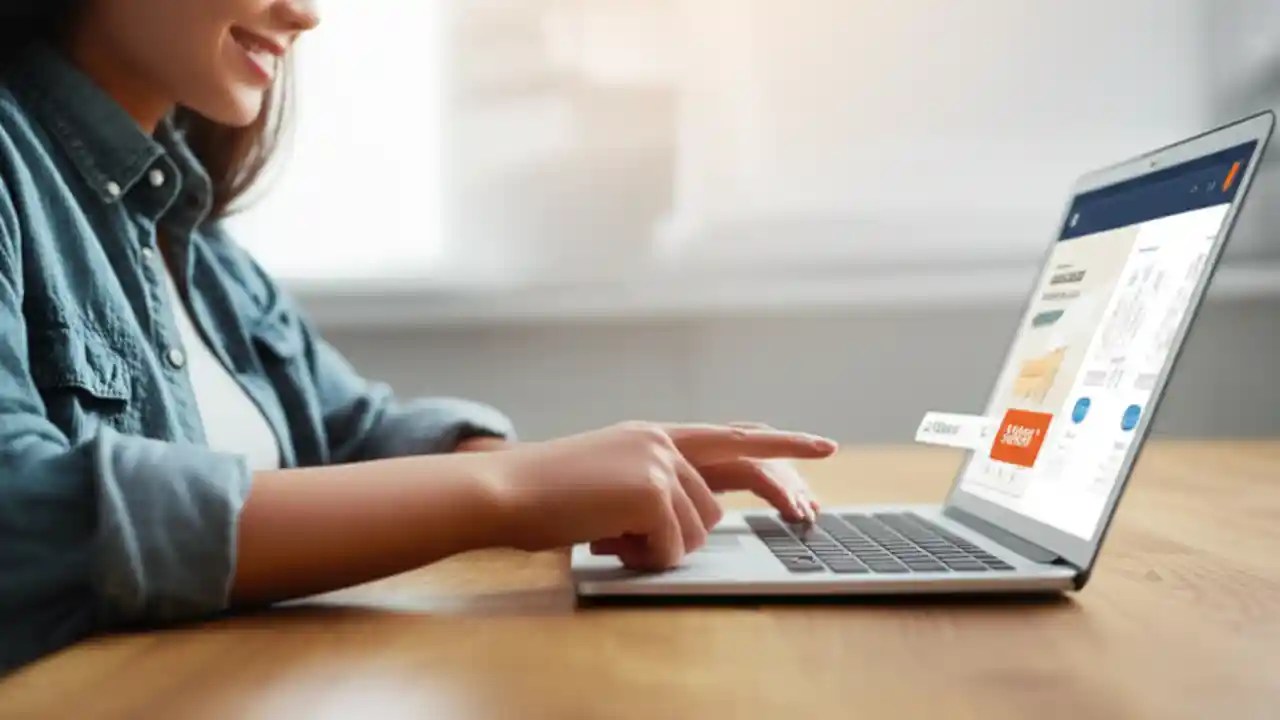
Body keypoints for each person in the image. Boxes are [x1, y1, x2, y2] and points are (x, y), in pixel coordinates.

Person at [0, 0, 836, 672]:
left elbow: (354, 432)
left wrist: (581, 477)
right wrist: (513, 494)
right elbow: (25, 514)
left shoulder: (193, 237)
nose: (305, 13)